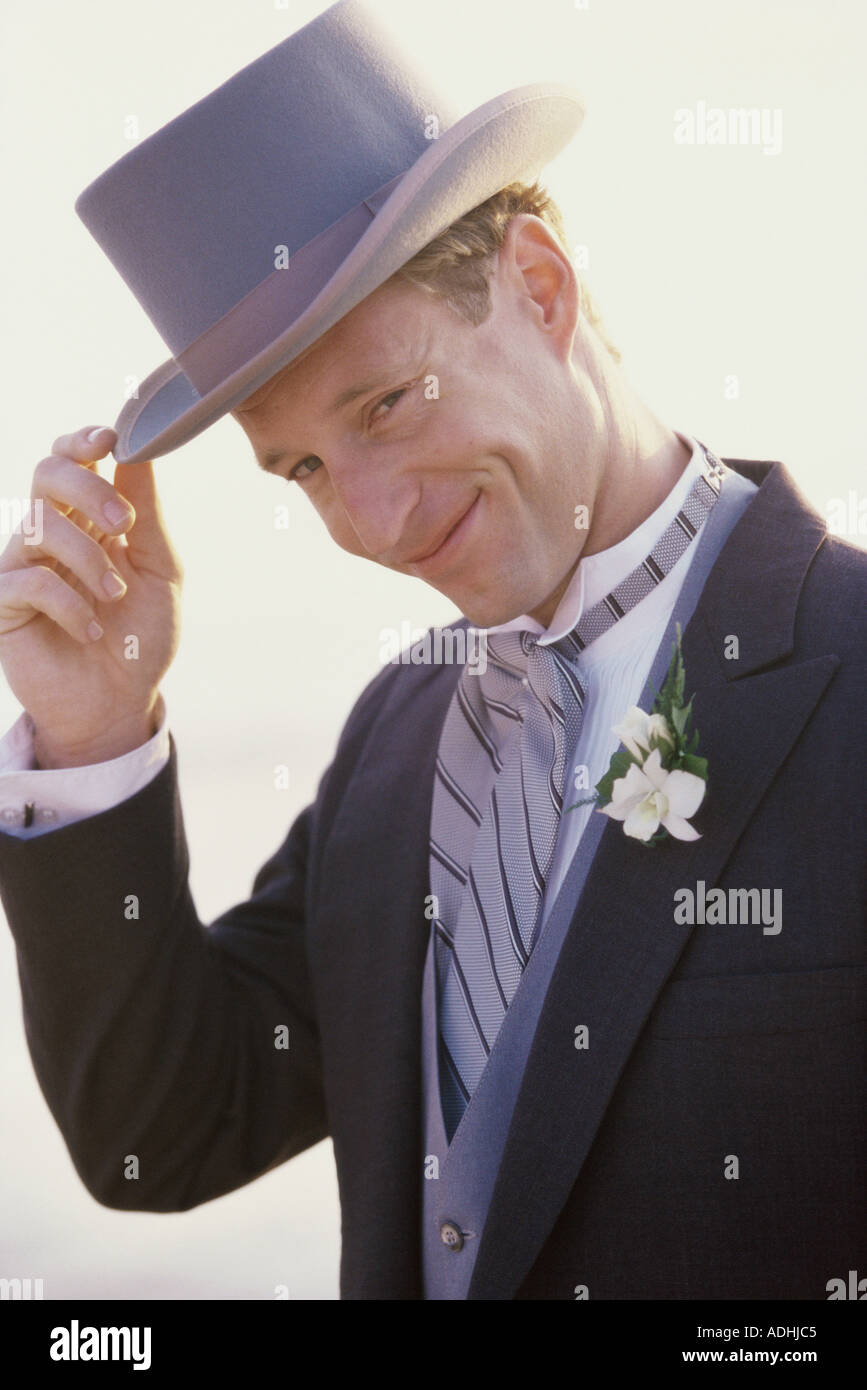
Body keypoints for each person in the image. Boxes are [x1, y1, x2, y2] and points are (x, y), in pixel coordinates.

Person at [0, 0, 863, 1300]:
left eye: (390, 403)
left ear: (540, 284)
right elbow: (159, 1133)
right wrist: (93, 729)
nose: (372, 519)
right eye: (302, 469)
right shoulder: (396, 742)